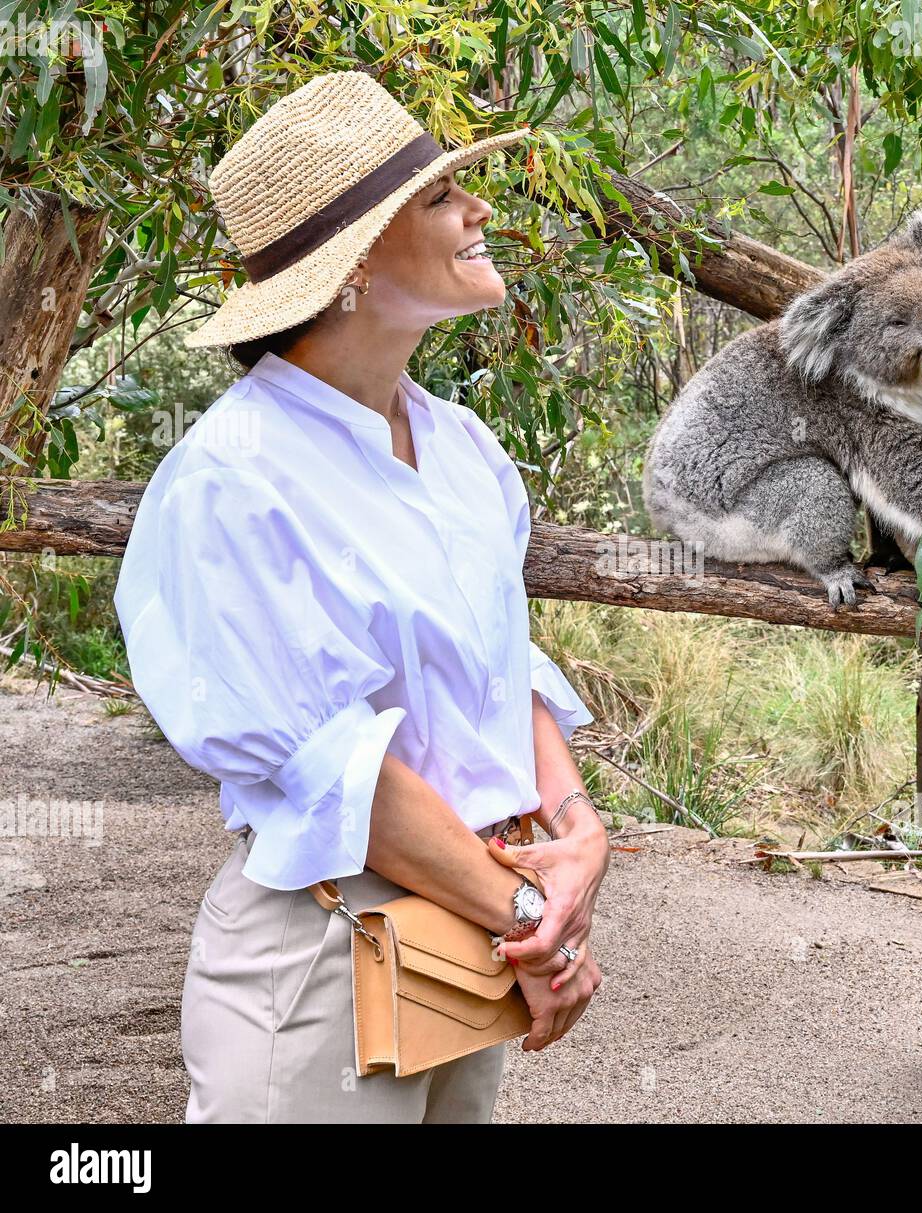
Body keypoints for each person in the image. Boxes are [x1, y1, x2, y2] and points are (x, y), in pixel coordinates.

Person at [112, 69, 610, 1124]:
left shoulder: (465, 449)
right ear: (349, 267)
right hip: (325, 955)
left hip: (470, 940)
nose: (480, 210)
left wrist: (576, 832)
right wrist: (538, 918)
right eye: (439, 198)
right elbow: (339, 769)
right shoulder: (235, 480)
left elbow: (498, 666)